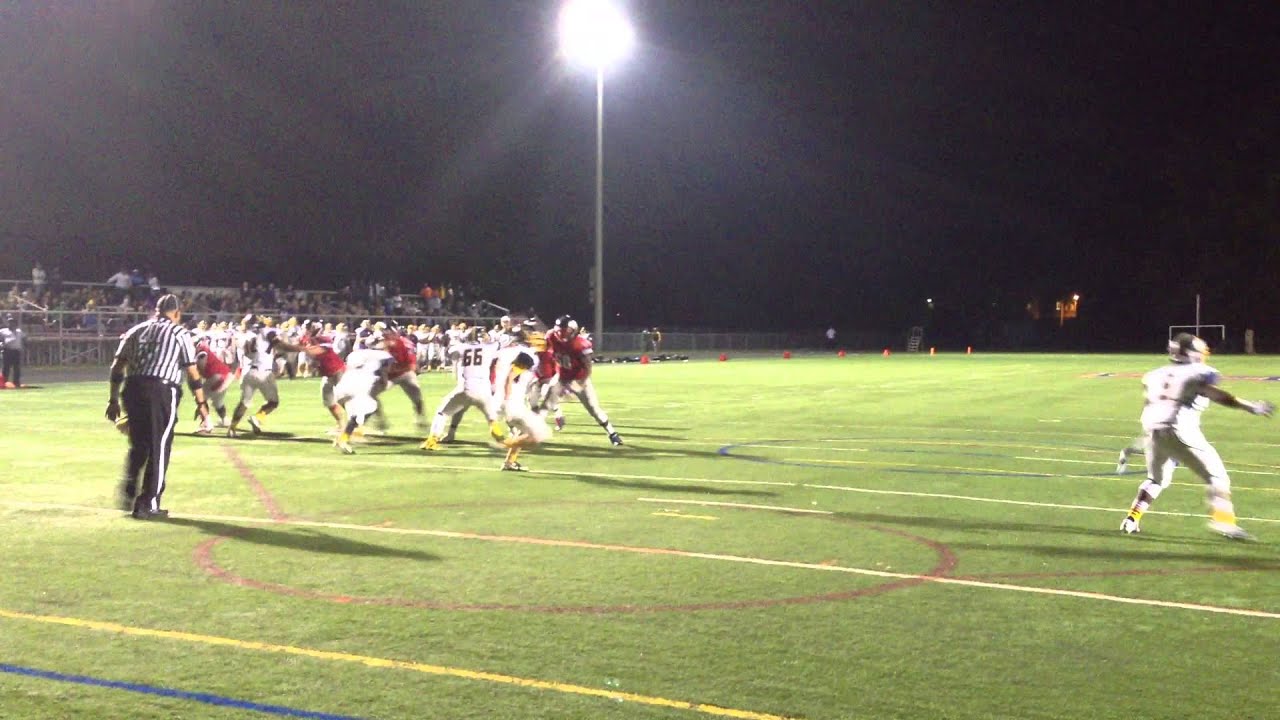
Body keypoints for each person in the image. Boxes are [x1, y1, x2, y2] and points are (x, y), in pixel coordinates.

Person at [1120, 333, 1274, 540]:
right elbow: (1218, 395)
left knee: (1156, 479)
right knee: (1217, 477)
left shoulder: (1153, 375)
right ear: (1191, 353)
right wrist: (1251, 407)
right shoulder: (1198, 372)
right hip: (1180, 430)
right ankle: (1224, 523)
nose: (1204, 355)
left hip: (1154, 432)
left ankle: (1131, 519)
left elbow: (1152, 407)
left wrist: (1143, 440)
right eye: (1201, 352)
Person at [105, 294, 209, 519]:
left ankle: (130, 486)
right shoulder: (179, 333)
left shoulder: (137, 330)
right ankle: (148, 503)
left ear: (156, 311)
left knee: (139, 443)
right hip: (161, 390)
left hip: (132, 388)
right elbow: (192, 372)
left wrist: (113, 399)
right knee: (160, 446)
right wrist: (201, 403)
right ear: (177, 313)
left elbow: (117, 366)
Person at [420, 326, 505, 450]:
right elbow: (499, 343)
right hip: (484, 390)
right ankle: (502, 441)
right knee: (491, 419)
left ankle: (432, 440)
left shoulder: (459, 347)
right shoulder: (489, 348)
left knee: (442, 413)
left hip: (465, 389)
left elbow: (450, 352)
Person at [546, 315, 623, 445]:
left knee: (593, 409)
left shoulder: (580, 344)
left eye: (564, 330)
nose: (560, 333)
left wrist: (577, 385)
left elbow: (588, 368)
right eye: (558, 330)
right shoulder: (551, 336)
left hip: (579, 378)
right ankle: (558, 416)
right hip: (562, 376)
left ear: (572, 331)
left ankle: (612, 433)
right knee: (546, 393)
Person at [0, 315, 25, 387]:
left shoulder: (19, 331)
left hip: (16, 351)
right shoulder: (2, 331)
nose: (11, 324)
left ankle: (16, 382)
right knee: (6, 367)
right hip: (7, 351)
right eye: (10, 322)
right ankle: (4, 382)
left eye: (13, 322)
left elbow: (24, 338)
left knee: (17, 368)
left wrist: (23, 346)